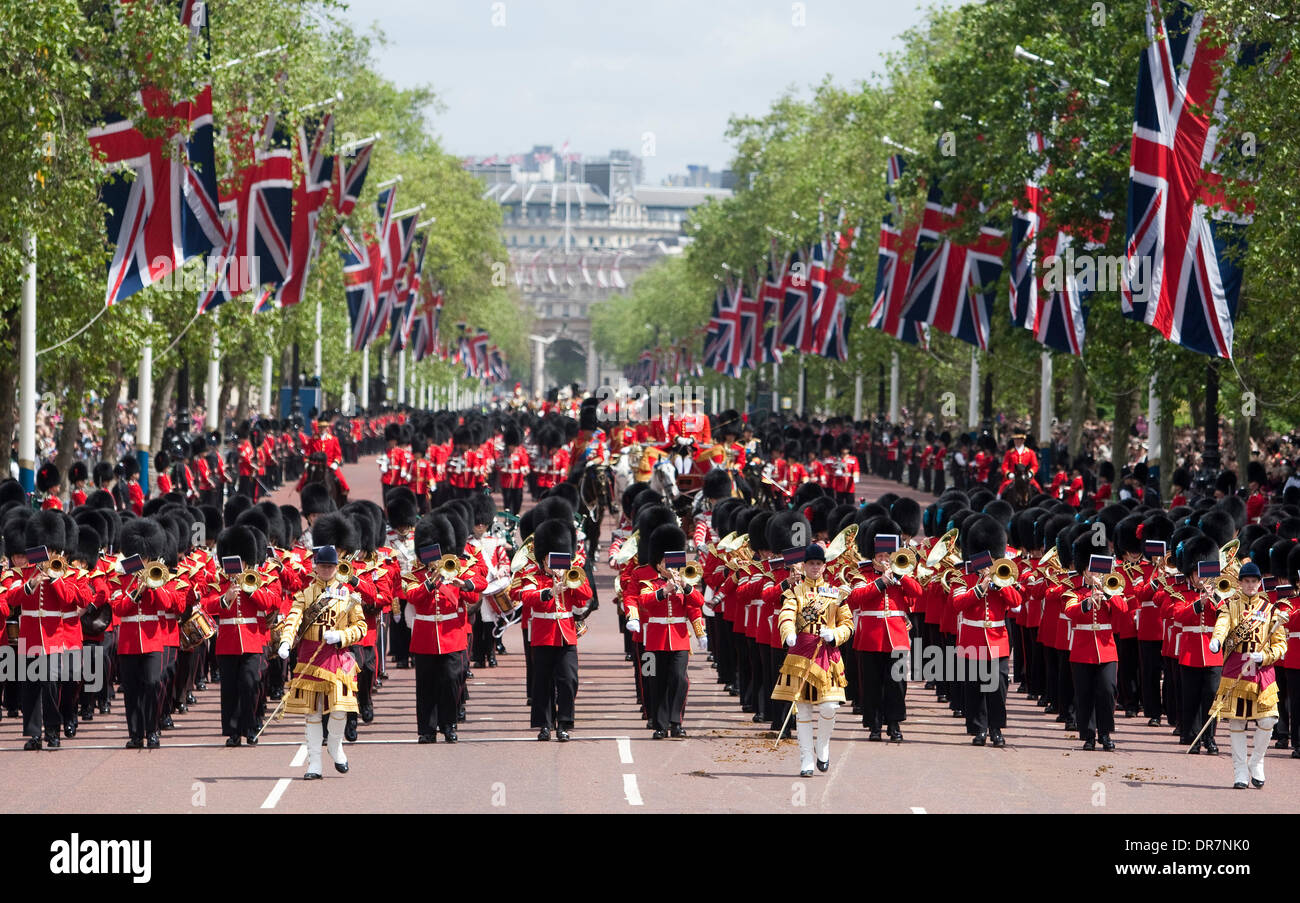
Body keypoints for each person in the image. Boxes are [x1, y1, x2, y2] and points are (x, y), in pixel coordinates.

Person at [275, 544, 368, 780]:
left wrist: (341, 636)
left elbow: (361, 627)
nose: (326, 570)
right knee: (313, 713)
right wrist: (286, 642)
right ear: (316, 567)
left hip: (337, 658)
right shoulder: (305, 594)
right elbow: (294, 619)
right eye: (322, 566)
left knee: (340, 709)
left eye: (330, 566)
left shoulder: (348, 594)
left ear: (336, 568)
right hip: (309, 657)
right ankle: (314, 763)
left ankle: (335, 746)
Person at [770, 544, 853, 777]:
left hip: (827, 654)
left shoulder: (836, 594)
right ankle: (806, 759)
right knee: (803, 710)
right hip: (800, 653)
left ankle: (823, 745)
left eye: (818, 564)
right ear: (804, 566)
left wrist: (835, 634)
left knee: (829, 706)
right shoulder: (795, 591)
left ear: (824, 566)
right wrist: (788, 633)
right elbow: (786, 614)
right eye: (811, 564)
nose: (815, 567)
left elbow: (847, 624)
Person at [1207, 562, 1290, 789]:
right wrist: (1217, 640)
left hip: (1262, 668)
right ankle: (1240, 771)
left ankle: (1257, 761)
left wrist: (1265, 656)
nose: (1251, 585)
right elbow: (1222, 625)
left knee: (1269, 718)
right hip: (1237, 667)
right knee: (1236, 721)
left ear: (1259, 583)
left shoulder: (1270, 609)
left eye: (1254, 581)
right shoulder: (1230, 606)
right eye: (1247, 581)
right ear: (1240, 583)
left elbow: (1281, 645)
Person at [629, 524, 707, 739]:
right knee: (657, 680)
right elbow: (645, 601)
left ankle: (676, 721)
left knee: (680, 679)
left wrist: (700, 632)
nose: (670, 566)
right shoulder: (650, 583)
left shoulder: (685, 582)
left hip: (680, 638)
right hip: (655, 638)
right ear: (659, 564)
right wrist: (665, 591)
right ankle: (660, 725)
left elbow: (697, 603)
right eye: (666, 562)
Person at [518, 519, 591, 740]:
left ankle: (565, 722)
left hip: (566, 634)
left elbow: (586, 595)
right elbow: (527, 597)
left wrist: (570, 582)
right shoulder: (534, 578)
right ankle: (544, 724)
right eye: (552, 559)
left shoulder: (572, 574)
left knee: (569, 680)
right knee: (542, 682)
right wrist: (549, 591)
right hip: (543, 634)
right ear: (543, 559)